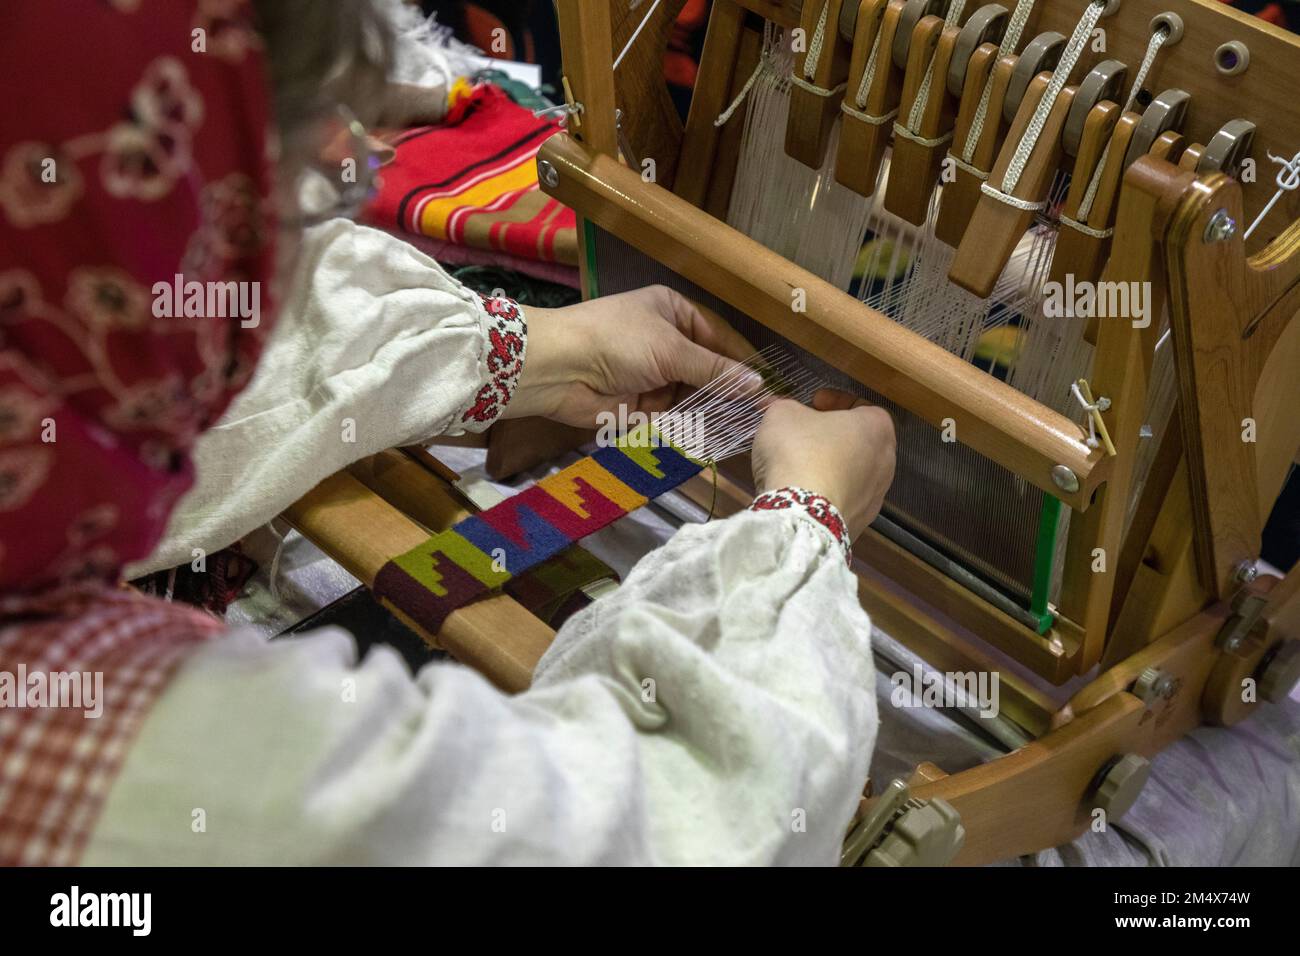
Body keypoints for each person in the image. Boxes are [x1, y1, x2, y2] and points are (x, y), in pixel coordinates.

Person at [0, 0, 895, 865]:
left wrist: (533, 352)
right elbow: (679, 827)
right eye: (271, 213)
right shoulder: (93, 744)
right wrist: (800, 530)